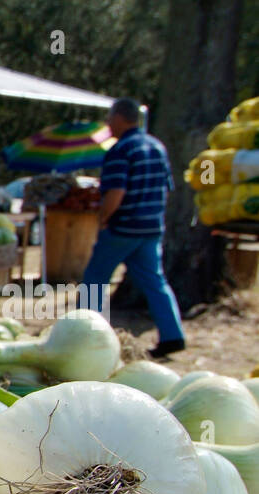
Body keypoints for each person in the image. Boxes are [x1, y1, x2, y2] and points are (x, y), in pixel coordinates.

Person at [80, 97, 185, 358]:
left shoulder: (121, 150)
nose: (107, 124)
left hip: (123, 229)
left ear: (119, 118)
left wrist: (103, 219)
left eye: (109, 118)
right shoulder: (157, 146)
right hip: (151, 229)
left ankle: (87, 336)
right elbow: (167, 188)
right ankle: (173, 336)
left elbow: (115, 192)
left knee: (95, 278)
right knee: (155, 282)